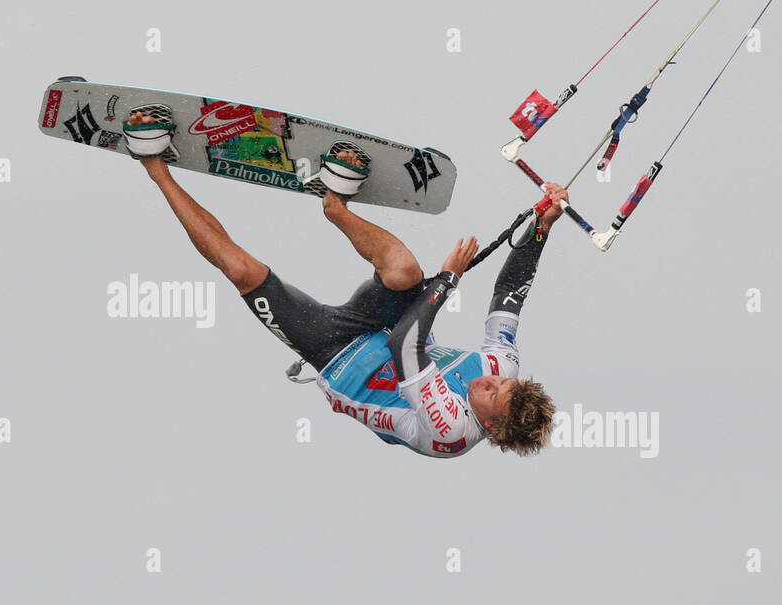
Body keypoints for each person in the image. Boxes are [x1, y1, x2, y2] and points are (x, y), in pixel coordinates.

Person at [126, 106, 560, 458]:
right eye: (504, 383)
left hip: (335, 355)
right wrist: (541, 227)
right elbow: (509, 296)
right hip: (380, 327)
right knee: (405, 271)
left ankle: (154, 165)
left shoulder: (451, 432)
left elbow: (405, 347)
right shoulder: (502, 370)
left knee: (244, 273)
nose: (491, 381)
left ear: (494, 427)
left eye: (493, 394)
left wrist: (447, 281)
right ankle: (335, 203)